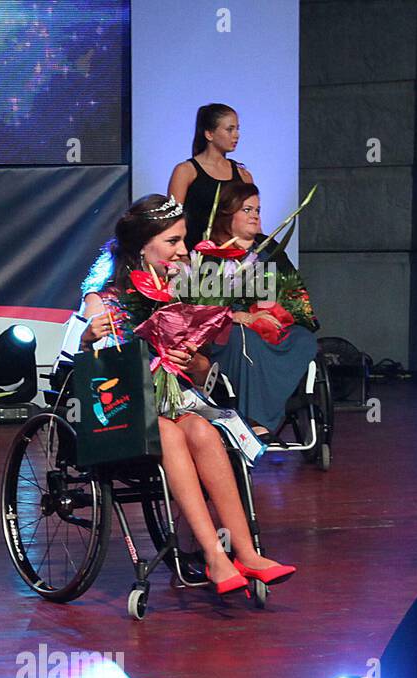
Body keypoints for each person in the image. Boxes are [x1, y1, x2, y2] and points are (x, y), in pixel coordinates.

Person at [78, 194, 295, 596]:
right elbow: (88, 366)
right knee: (173, 434)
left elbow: (201, 372)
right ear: (143, 245)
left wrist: (189, 358)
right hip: (119, 411)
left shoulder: (183, 292)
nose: (183, 251)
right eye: (172, 242)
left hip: (173, 404)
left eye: (183, 241)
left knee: (202, 431)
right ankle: (213, 555)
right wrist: (90, 336)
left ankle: (245, 551)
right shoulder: (105, 297)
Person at [204, 182, 318, 436]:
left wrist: (279, 314)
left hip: (271, 325)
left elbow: (293, 291)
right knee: (244, 340)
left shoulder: (270, 250)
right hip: (230, 328)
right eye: (246, 210)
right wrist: (236, 315)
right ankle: (255, 419)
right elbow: (199, 307)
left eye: (257, 209)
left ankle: (268, 408)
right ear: (227, 214)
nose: (255, 215)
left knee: (304, 341)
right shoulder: (211, 254)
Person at [167, 104, 255, 245]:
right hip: (195, 257)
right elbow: (172, 221)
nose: (236, 135)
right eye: (229, 129)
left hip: (234, 258)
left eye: (237, 129)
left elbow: (252, 219)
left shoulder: (244, 175)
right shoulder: (185, 171)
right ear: (209, 134)